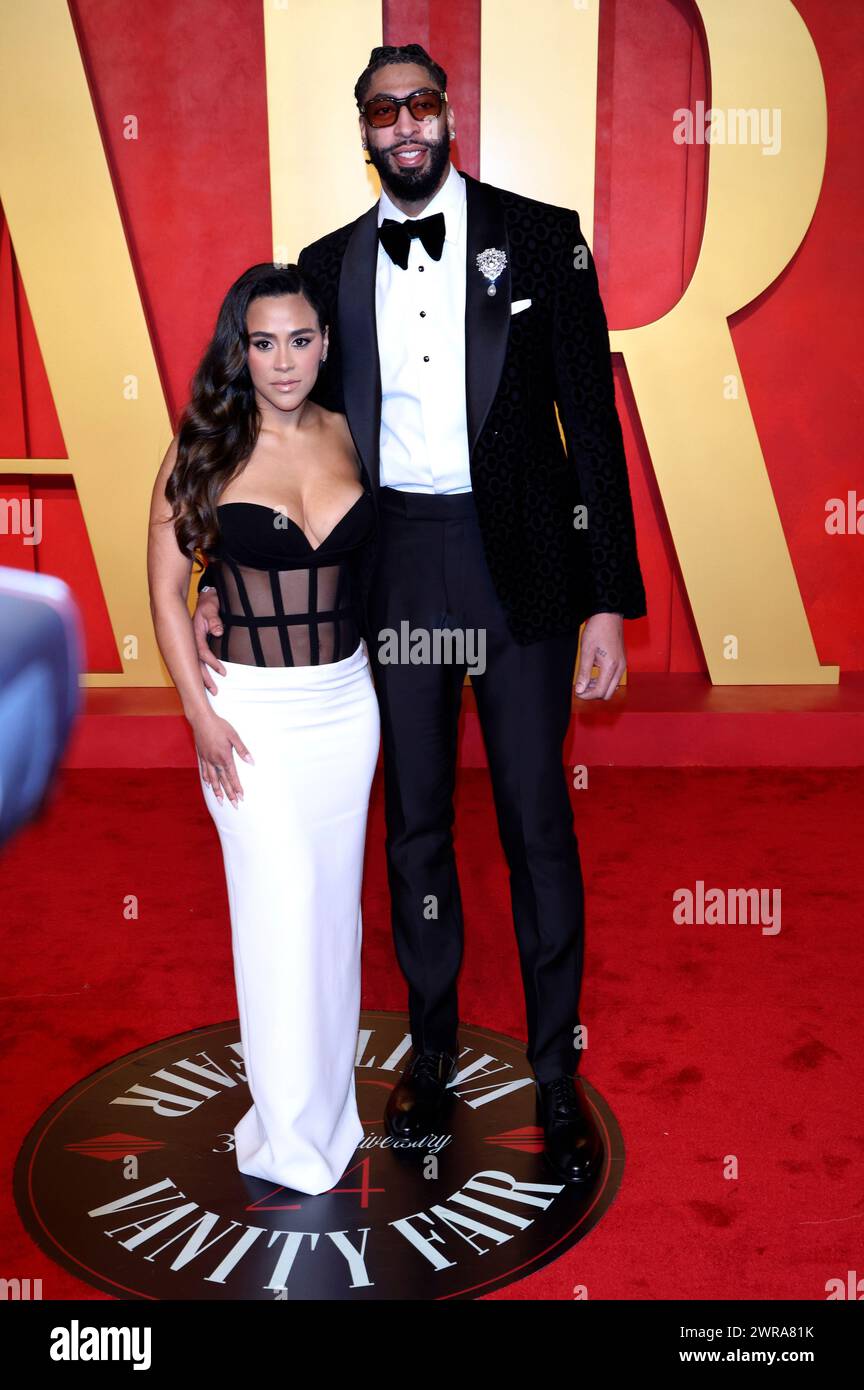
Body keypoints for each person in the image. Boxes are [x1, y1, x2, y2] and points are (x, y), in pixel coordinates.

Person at [192, 44, 648, 1185]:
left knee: (539, 820)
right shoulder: (327, 264)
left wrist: (607, 602)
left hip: (524, 571)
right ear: (363, 130)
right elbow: (280, 445)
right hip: (400, 571)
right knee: (416, 821)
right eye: (382, 110)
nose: (404, 124)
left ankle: (553, 1066)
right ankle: (433, 1044)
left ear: (450, 116)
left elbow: (591, 420)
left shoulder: (544, 234)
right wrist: (216, 583)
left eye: (421, 104)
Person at [147, 263, 380, 1196]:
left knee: (331, 920)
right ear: (238, 350)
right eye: (264, 341)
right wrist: (199, 714)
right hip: (249, 715)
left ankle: (326, 1113)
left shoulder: (352, 433)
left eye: (300, 339)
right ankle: (289, 1140)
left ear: (324, 345)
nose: (284, 361)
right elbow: (167, 590)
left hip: (345, 705)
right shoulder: (205, 444)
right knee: (278, 916)